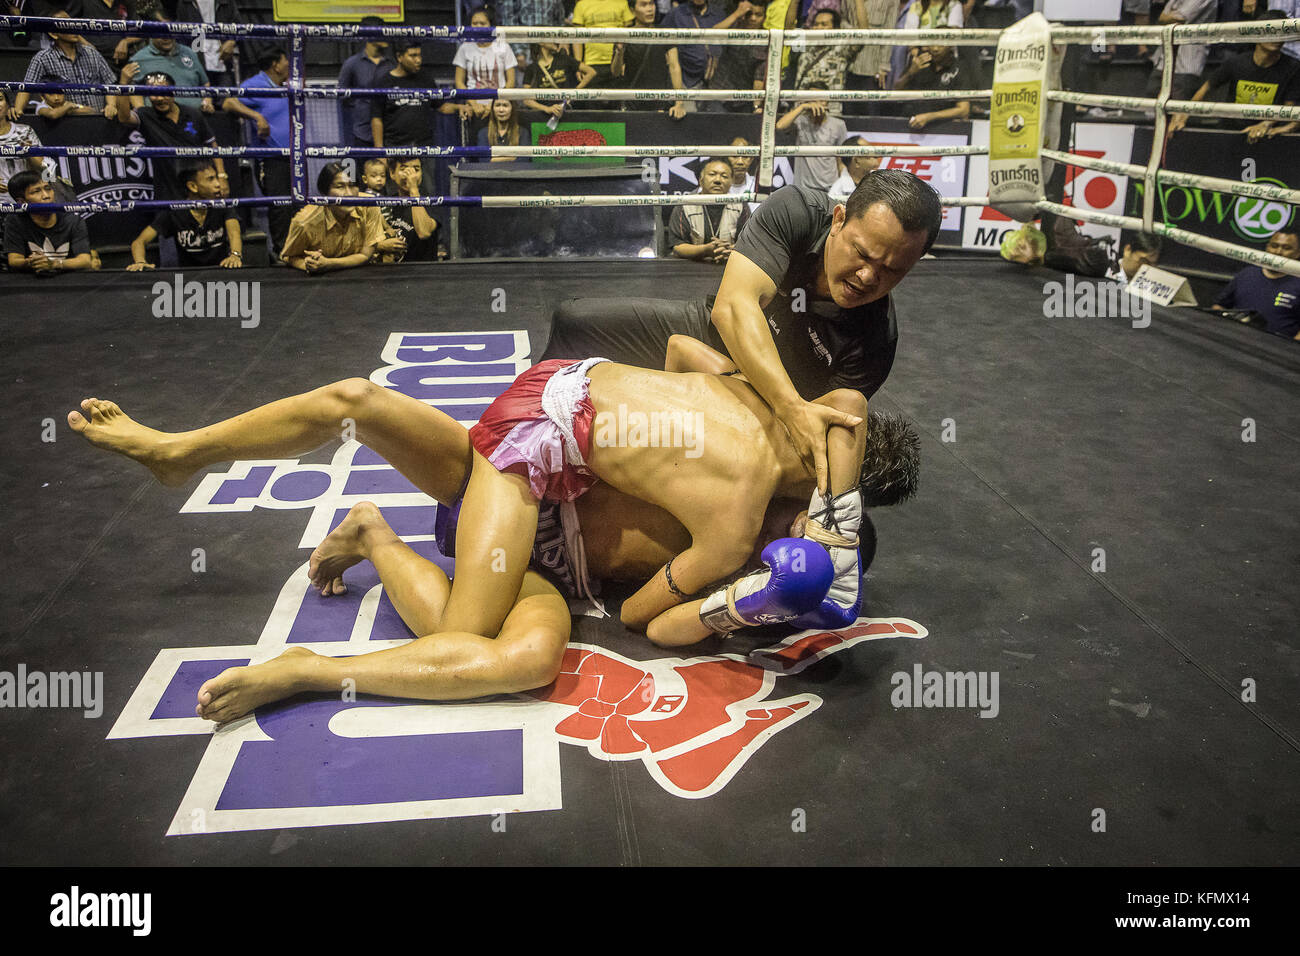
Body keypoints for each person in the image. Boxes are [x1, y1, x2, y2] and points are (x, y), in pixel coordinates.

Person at [67, 353, 919, 721]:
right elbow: (641, 623)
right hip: (512, 475)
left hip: (539, 549)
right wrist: (790, 550)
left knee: (520, 659)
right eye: (826, 514)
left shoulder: (761, 520)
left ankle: (356, 570)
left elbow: (648, 625)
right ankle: (178, 451)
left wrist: (753, 597)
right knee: (358, 401)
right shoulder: (742, 506)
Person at [543, 169, 943, 492]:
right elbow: (732, 308)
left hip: (760, 412)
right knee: (575, 322)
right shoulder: (798, 211)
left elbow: (822, 435)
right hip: (713, 336)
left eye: (893, 270)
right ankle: (520, 447)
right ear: (838, 220)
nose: (868, 276)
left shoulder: (875, 342)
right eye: (862, 253)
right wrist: (790, 405)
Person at [1167, 11, 1300, 142]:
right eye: (1271, 31)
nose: (1277, 37)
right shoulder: (1237, 62)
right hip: (1230, 131)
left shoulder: (1292, 67)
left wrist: (1266, 124)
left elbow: (1288, 109)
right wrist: (1184, 115)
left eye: (1282, 32)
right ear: (1257, 33)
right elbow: (1207, 87)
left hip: (1265, 138)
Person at [223, 47, 294, 257]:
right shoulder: (256, 84)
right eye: (285, 60)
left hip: (293, 156)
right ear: (275, 64)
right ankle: (282, 252)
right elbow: (228, 102)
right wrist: (256, 116)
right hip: (272, 157)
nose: (289, 64)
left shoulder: (283, 85)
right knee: (280, 206)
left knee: (297, 204)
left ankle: (296, 249)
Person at [117, 68, 228, 201]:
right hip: (168, 188)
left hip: (201, 186)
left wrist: (221, 176)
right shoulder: (145, 115)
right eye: (154, 94)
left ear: (173, 91)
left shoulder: (193, 113)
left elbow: (212, 146)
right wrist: (123, 83)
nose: (160, 98)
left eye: (164, 93)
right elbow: (124, 118)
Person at [126, 159, 242, 270]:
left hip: (221, 273)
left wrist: (235, 255)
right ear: (193, 186)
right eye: (210, 179)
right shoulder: (175, 211)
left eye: (216, 177)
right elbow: (140, 241)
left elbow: (234, 233)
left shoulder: (222, 205)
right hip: (189, 280)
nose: (218, 184)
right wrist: (140, 262)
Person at [279, 163, 386, 275]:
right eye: (340, 187)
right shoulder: (305, 221)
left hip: (361, 275)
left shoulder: (369, 204)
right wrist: (308, 264)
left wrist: (328, 263)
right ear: (325, 192)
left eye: (353, 185)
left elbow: (365, 255)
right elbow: (288, 256)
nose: (349, 194)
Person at [11, 10, 120, 118]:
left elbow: (109, 83)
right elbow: (27, 87)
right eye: (66, 24)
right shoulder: (43, 58)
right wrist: (17, 111)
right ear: (54, 34)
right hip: (65, 123)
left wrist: (111, 105)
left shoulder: (92, 53)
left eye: (72, 23)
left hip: (97, 120)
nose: (73, 27)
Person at [1211, 229, 1300, 338]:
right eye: (1274, 245)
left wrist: (1291, 349)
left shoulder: (1297, 282)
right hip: (1235, 342)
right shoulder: (1247, 273)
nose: (1278, 252)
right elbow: (1219, 306)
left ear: (1297, 253)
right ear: (1267, 247)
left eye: (1286, 248)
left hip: (1277, 350)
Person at [4, 170, 94, 274]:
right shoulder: (15, 220)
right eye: (36, 191)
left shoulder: (72, 219)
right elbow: (14, 260)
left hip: (68, 281)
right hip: (31, 282)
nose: (46, 195)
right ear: (21, 202)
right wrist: (32, 263)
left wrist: (55, 264)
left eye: (48, 189)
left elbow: (85, 261)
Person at [667, 158, 751, 262]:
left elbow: (749, 244)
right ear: (700, 180)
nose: (718, 180)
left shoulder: (741, 205)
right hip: (691, 267)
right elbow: (677, 246)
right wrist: (705, 250)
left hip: (729, 266)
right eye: (712, 174)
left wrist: (730, 250)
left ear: (731, 182)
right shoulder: (686, 204)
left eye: (724, 176)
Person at [792, 1, 868, 117]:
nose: (818, 28)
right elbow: (789, 28)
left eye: (824, 24)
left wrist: (858, 2)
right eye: (816, 24)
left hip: (829, 114)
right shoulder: (805, 45)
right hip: (801, 112)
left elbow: (863, 34)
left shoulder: (842, 49)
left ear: (835, 29)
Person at [127, 12, 214, 112]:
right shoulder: (139, 59)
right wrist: (143, 114)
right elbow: (133, 91)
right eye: (161, 32)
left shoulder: (189, 53)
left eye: (170, 30)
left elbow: (205, 83)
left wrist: (207, 102)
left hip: (195, 117)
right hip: (160, 120)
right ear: (151, 32)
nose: (166, 37)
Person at [453, 6, 517, 129]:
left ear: (490, 25)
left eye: (482, 23)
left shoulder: (503, 46)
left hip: (499, 105)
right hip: (473, 105)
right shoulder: (465, 47)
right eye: (474, 23)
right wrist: (473, 103)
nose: (478, 26)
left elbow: (511, 81)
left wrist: (493, 104)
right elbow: (459, 82)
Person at [336, 17, 395, 149]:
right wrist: (362, 104)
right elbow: (342, 94)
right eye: (381, 32)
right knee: (361, 168)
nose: (385, 36)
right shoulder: (352, 64)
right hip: (361, 132)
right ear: (369, 35)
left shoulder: (392, 64)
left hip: (388, 132)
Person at [776, 82, 847, 191]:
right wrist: (802, 107)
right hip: (803, 189)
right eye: (813, 99)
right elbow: (780, 126)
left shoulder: (838, 124)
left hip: (830, 188)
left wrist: (842, 187)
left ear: (827, 101)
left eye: (821, 99)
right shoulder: (800, 121)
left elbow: (841, 161)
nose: (818, 103)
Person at [701, 0, 767, 113]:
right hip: (719, 92)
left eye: (758, 15)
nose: (753, 18)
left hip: (743, 99)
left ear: (765, 17)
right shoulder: (735, 26)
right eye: (749, 14)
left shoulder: (766, 40)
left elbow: (759, 79)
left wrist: (757, 106)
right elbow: (712, 34)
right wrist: (736, 14)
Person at [1144, 0, 1217, 102]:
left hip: (1187, 63)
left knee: (1178, 108)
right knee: (1152, 102)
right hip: (1163, 60)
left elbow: (1180, 18)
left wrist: (1168, 16)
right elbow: (1162, 18)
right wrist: (1168, 17)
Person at [663, 0, 725, 117]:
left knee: (720, 118)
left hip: (713, 83)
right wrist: (679, 101)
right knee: (689, 119)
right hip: (687, 82)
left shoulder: (719, 14)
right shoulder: (676, 14)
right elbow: (673, 62)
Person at [893, 45, 972, 130]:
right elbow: (896, 90)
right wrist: (910, 72)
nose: (935, 49)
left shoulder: (959, 68)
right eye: (932, 43)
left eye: (941, 45)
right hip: (908, 125)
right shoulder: (919, 61)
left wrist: (930, 117)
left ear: (950, 45)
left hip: (943, 128)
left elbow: (963, 110)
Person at [613, 0, 672, 112]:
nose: (650, 9)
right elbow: (615, 72)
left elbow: (675, 67)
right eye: (643, 5)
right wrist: (619, 51)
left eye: (651, 4)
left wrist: (679, 102)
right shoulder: (624, 35)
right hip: (632, 102)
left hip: (659, 103)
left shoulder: (665, 33)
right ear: (632, 10)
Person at [378, 157, 439, 262]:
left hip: (421, 273)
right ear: (392, 173)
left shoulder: (432, 201)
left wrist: (413, 190)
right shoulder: (385, 202)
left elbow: (424, 233)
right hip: (387, 272)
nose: (411, 175)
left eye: (416, 169)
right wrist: (379, 246)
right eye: (404, 169)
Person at [572, 0, 636, 95]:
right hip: (591, 65)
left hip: (617, 63)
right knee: (592, 107)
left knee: (617, 105)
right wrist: (578, 65)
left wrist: (625, 61)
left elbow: (629, 33)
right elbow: (577, 38)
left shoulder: (622, 2)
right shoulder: (581, 5)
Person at [0, 89, 55, 194]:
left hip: (26, 197)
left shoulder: (24, 131)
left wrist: (30, 153)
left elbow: (45, 170)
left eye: (0, 99)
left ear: (8, 105)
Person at [523, 41, 595, 118]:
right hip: (545, 117)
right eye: (551, 38)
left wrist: (574, 94)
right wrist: (547, 109)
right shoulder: (532, 69)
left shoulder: (564, 59)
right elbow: (527, 100)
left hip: (567, 112)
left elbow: (591, 72)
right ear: (541, 42)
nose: (555, 40)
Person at [828, 136, 881, 203]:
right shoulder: (836, 192)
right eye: (868, 152)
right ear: (856, 161)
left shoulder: (880, 180)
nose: (875, 154)